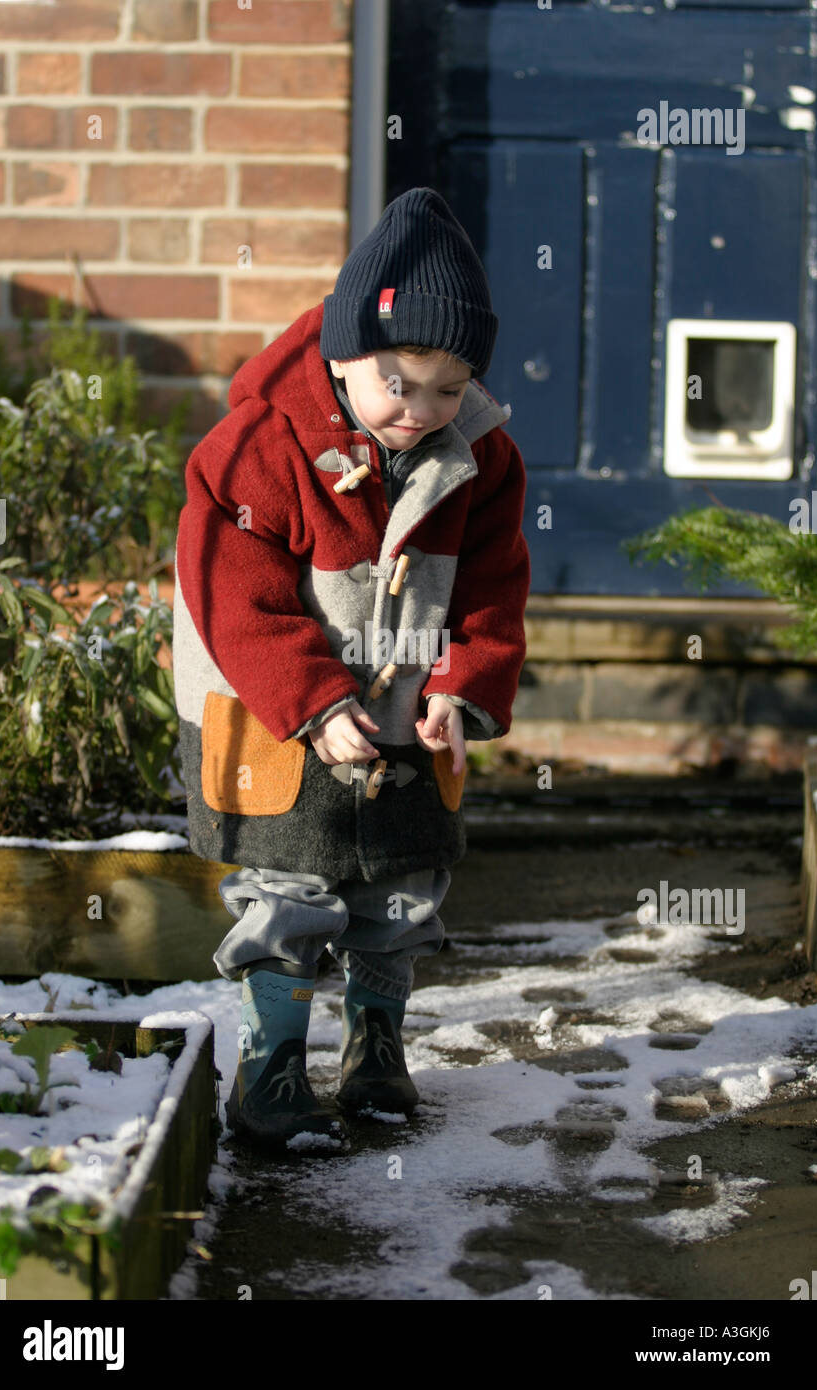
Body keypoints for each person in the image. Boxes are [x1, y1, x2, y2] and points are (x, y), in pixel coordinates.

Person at [173, 187, 531, 1152]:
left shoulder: (482, 459)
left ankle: (376, 1049)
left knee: (400, 893)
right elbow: (232, 592)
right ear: (341, 357)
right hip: (278, 717)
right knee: (289, 894)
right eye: (399, 385)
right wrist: (310, 695)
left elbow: (493, 586)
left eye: (449, 389)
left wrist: (464, 684)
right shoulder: (255, 447)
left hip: (407, 717)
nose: (422, 412)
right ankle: (271, 1070)